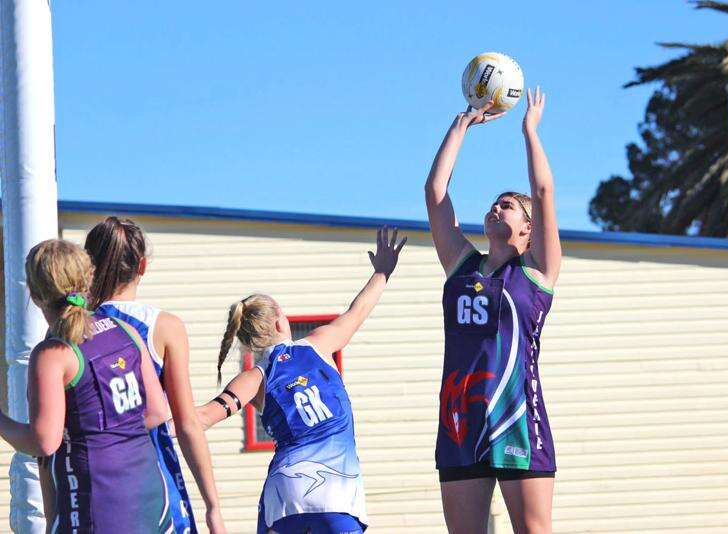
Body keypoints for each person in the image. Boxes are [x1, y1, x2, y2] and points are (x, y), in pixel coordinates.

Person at [197, 227, 406, 533]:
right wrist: (382, 271)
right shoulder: (318, 344)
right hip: (337, 489)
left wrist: (147, 421)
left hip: (286, 491)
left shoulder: (254, 378)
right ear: (281, 319)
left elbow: (202, 417)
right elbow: (358, 310)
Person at [424, 88, 562, 534]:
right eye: (493, 203)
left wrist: (529, 131)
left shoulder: (537, 271)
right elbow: (436, 192)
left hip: (518, 417)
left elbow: (542, 190)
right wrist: (460, 125)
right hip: (461, 418)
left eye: (507, 205)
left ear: (527, 227)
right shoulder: (462, 265)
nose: (495, 207)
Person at [0, 239, 173, 533]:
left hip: (97, 505)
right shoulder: (125, 331)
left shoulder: (53, 354)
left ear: (34, 292)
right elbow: (157, 411)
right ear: (88, 278)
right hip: (151, 497)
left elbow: (43, 442)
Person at [84, 216, 225, 533]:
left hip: (95, 488)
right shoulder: (163, 327)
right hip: (155, 482)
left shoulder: (72, 329)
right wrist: (213, 506)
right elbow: (187, 422)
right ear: (142, 267)